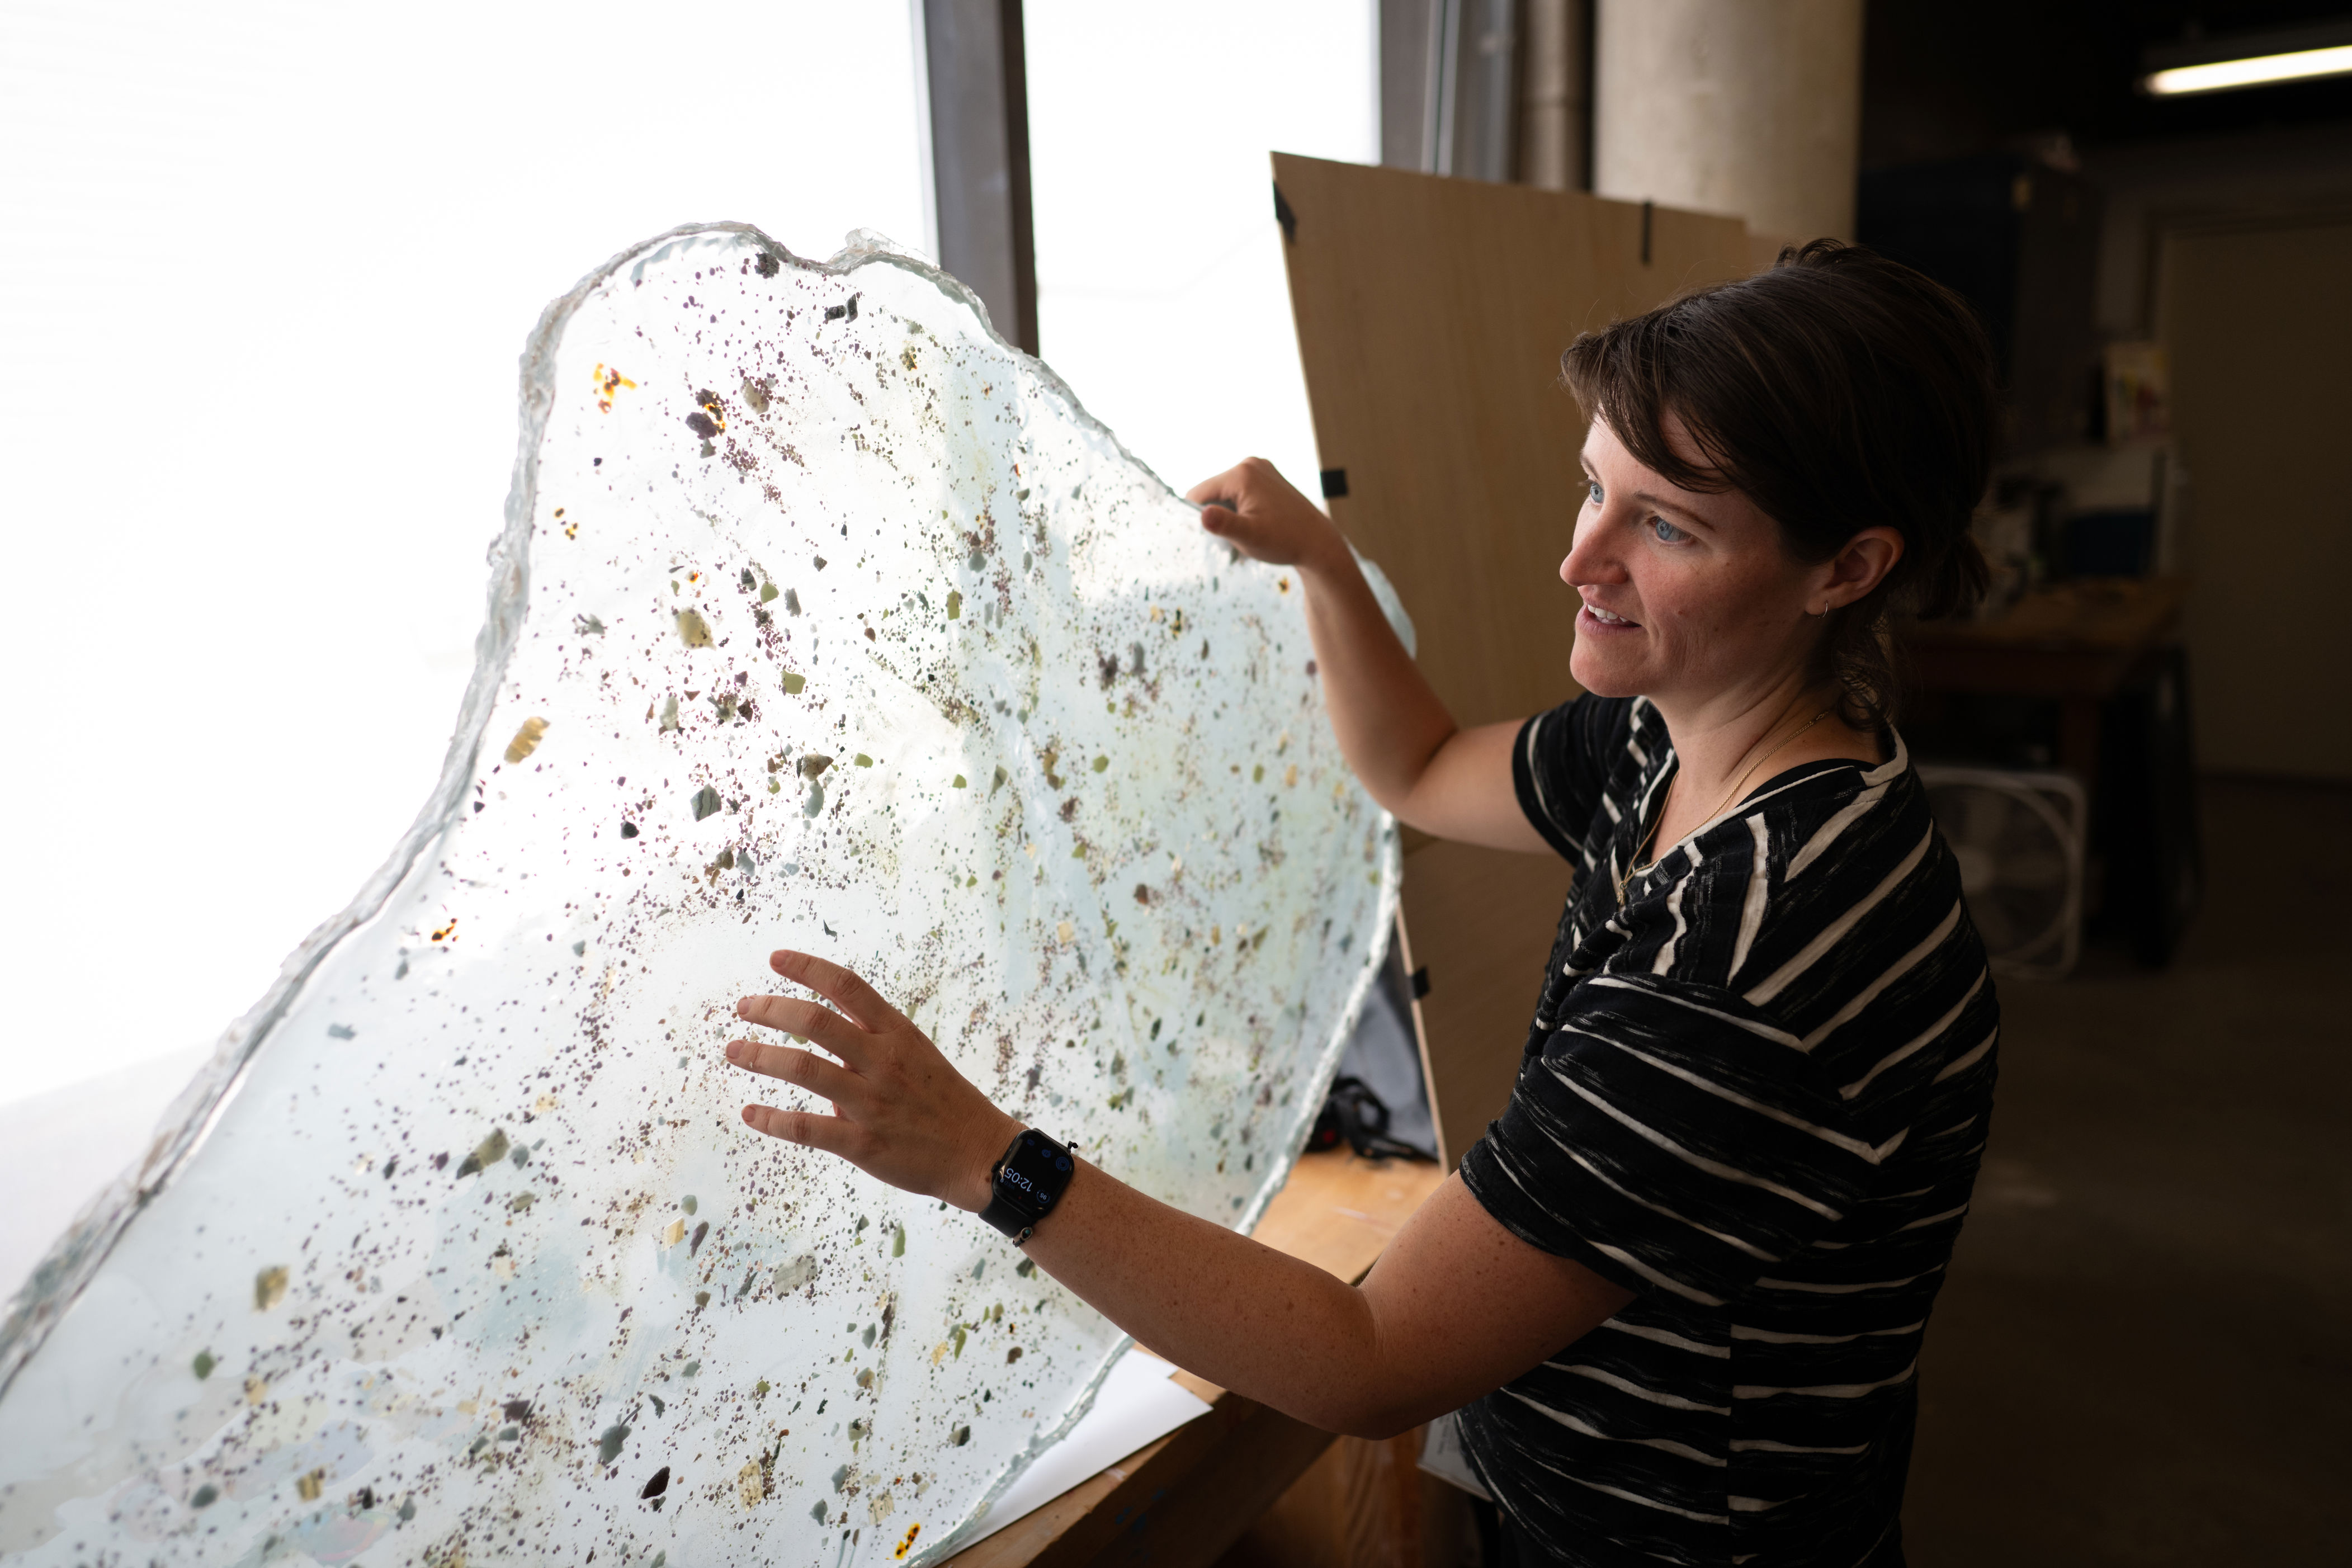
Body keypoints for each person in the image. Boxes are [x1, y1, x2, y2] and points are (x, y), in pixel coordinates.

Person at [719, 240, 2001, 1567]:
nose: (1582, 561)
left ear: (1846, 568)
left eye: (1665, 525)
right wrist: (1324, 564)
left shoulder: (1754, 957)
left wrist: (989, 1158)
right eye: (1594, 489)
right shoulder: (1675, 741)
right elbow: (1423, 767)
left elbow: (1371, 1360)